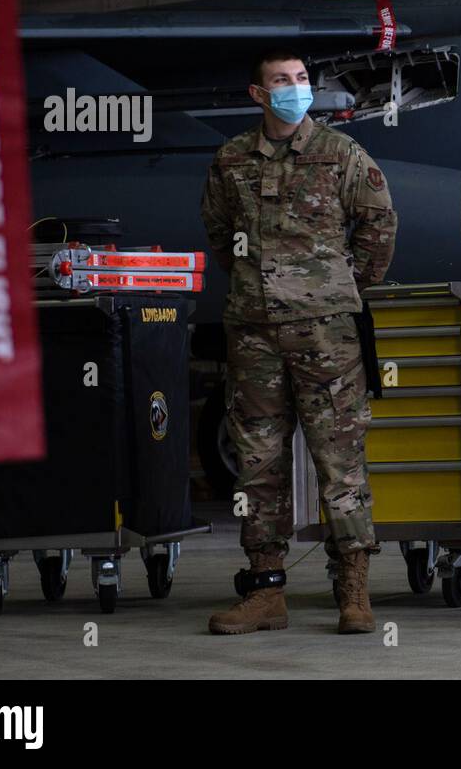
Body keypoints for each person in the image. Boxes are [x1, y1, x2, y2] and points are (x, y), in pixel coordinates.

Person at [200, 50, 397, 635]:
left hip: (327, 333)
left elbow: (379, 228)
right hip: (254, 335)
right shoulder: (231, 158)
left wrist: (338, 286)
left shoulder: (342, 155)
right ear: (258, 94)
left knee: (341, 462)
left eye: (302, 79)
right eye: (281, 81)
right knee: (257, 463)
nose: (295, 88)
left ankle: (353, 591)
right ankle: (265, 592)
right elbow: (219, 232)